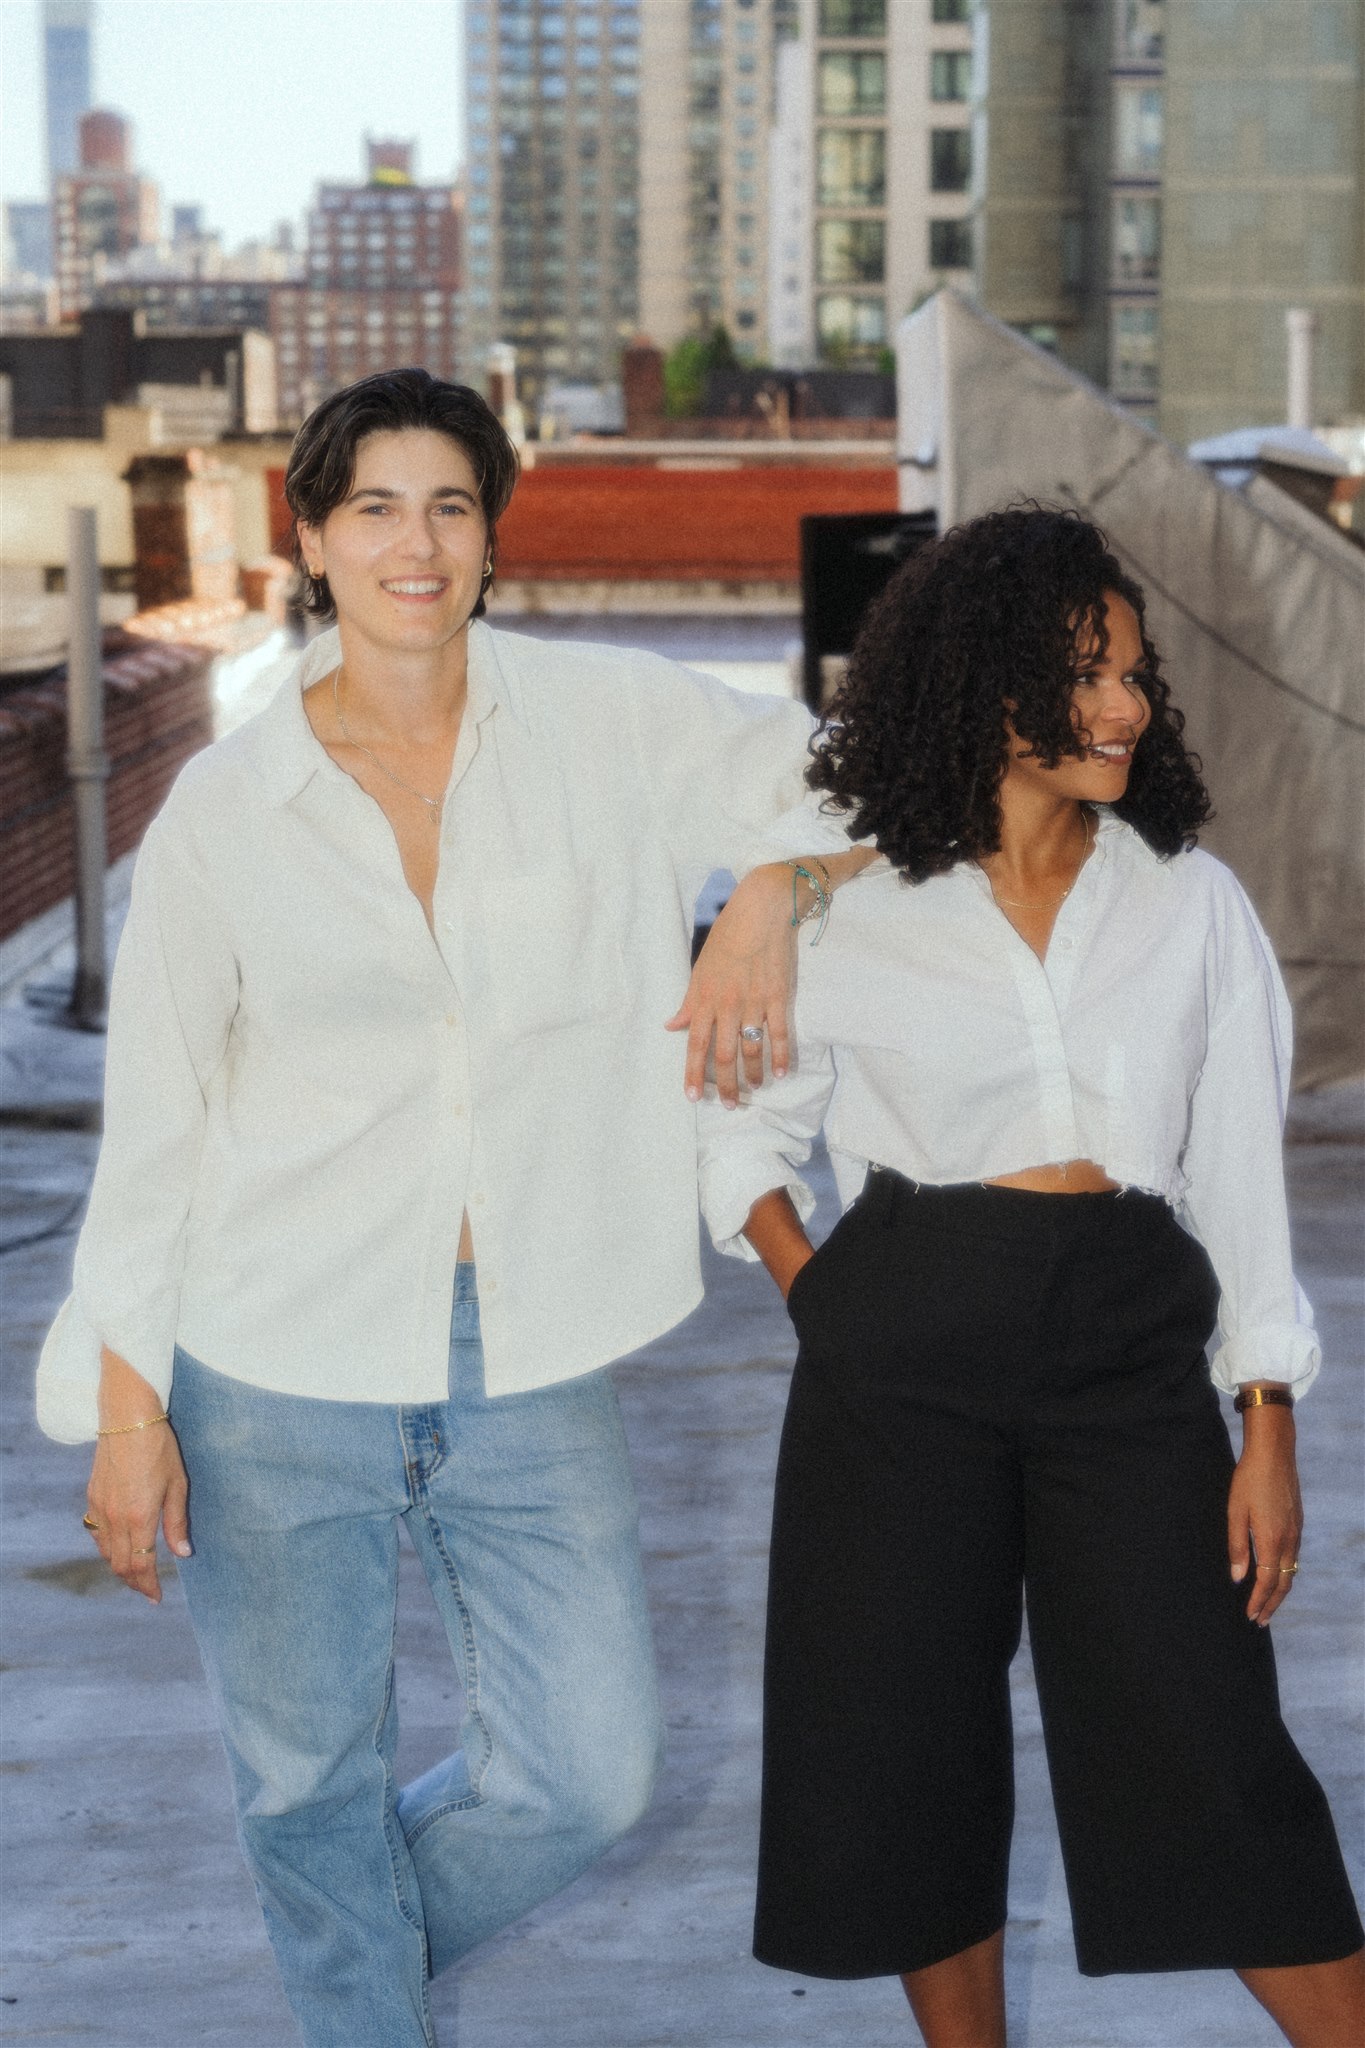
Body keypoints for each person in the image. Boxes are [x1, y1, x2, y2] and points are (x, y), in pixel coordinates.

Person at [36, 368, 867, 2048]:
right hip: (266, 1358)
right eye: (374, 508)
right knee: (305, 1786)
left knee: (587, 1773)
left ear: (492, 536)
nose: (414, 544)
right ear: (313, 538)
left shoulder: (610, 724)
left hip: (528, 1337)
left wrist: (765, 895)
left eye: (450, 506)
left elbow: (862, 776)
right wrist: (130, 1411)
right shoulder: (227, 811)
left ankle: (348, 1969)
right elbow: (155, 1135)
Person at [697, 506, 1365, 2048]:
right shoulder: (843, 900)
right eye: (1081, 673)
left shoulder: (1185, 898)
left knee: (1207, 1744)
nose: (1123, 706)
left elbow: (1236, 1177)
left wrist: (1263, 1416)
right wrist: (822, 1290)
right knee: (906, 1749)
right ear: (980, 682)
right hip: (901, 1338)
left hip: (1129, 1346)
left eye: (1132, 672)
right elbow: (734, 1118)